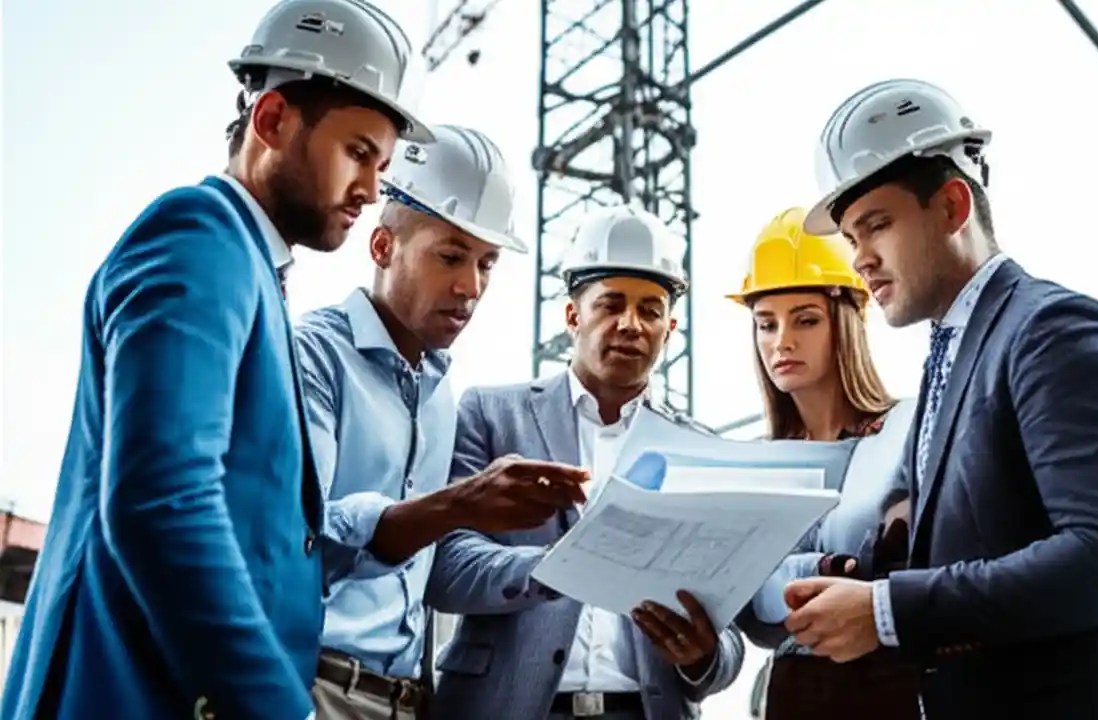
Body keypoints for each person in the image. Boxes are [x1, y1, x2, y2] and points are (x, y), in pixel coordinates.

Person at [0, 2, 430, 719]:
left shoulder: (250, 269)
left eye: (382, 166)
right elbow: (161, 497)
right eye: (358, 153)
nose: (371, 190)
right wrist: (274, 706)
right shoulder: (200, 238)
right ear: (271, 121)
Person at [780, 78, 1098, 719]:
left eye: (876, 226)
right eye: (852, 238)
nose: (860, 259)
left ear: (951, 206)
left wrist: (886, 612)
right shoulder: (949, 358)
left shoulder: (1054, 331)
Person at [294, 125, 589, 720]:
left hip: (412, 700)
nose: (470, 287)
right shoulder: (313, 358)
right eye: (450, 256)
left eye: (487, 264)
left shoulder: (437, 390)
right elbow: (303, 540)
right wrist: (457, 505)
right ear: (382, 247)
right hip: (314, 688)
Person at [426, 204, 745, 719]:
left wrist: (704, 655)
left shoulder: (700, 449)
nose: (630, 324)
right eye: (611, 304)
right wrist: (564, 568)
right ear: (573, 315)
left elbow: (730, 635)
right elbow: (445, 564)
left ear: (671, 327)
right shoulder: (490, 414)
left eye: (650, 310)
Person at [729, 208, 920, 719]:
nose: (781, 342)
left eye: (805, 319)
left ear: (847, 321)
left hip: (893, 693)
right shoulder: (751, 464)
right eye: (765, 324)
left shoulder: (910, 426)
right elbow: (750, 613)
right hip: (794, 695)